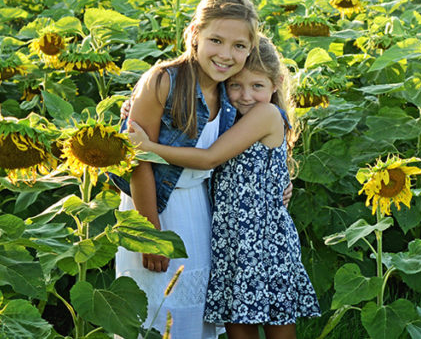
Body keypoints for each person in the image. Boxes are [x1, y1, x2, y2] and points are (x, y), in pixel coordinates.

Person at [128, 35, 320, 339]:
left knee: (276, 322)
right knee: (236, 324)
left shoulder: (266, 114)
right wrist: (139, 105)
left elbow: (208, 159)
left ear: (276, 83)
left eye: (257, 86)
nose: (244, 95)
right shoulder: (231, 116)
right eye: (235, 86)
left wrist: (147, 146)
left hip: (263, 240)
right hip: (230, 239)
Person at [112, 0, 260, 339]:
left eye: (239, 46)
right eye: (215, 40)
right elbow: (138, 159)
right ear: (193, 34)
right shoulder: (164, 80)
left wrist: (281, 182)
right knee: (153, 311)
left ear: (250, 49)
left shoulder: (232, 91)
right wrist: (150, 234)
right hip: (155, 206)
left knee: (192, 313)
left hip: (201, 208)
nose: (226, 54)